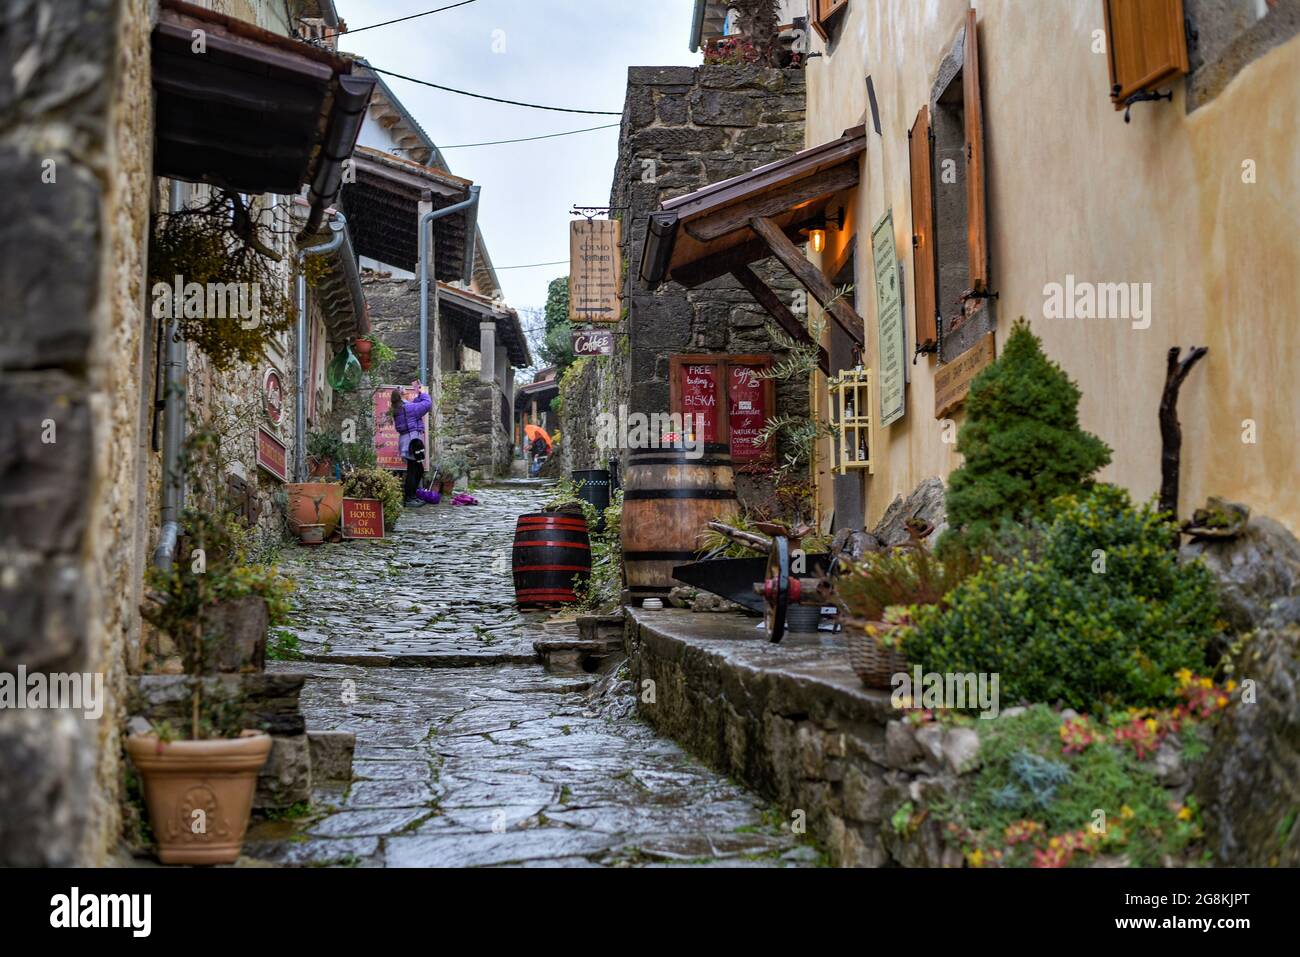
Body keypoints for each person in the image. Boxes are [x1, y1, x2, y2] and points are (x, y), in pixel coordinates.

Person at [391, 380, 432, 508]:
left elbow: (415, 404)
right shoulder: (408, 408)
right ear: (401, 395)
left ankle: (412, 496)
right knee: (414, 470)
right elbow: (427, 404)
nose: (406, 390)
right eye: (403, 390)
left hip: (406, 439)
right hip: (412, 440)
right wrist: (422, 392)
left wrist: (418, 395)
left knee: (416, 469)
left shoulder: (400, 407)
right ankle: (409, 498)